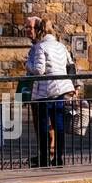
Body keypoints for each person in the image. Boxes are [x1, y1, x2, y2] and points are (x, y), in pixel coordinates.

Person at [26, 17, 76, 166]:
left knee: (43, 125)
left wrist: (27, 64)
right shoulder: (61, 46)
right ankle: (59, 158)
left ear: (40, 31)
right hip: (60, 89)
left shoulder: (41, 47)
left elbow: (39, 70)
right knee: (58, 124)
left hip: (45, 91)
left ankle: (44, 158)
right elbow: (69, 65)